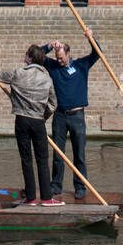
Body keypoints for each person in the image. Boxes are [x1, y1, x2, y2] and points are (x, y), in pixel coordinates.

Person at [0, 45, 61, 205]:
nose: (24, 56)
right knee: (42, 160)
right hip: (38, 121)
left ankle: (31, 197)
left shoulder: (19, 74)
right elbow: (53, 104)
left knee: (26, 159)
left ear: (30, 58)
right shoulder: (47, 79)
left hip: (22, 120)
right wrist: (42, 116)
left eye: (26, 54)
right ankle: (46, 198)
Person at [42, 27, 100, 201]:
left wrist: (91, 38)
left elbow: (97, 54)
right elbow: (35, 55)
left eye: (61, 58)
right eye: (57, 58)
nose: (59, 61)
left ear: (68, 54)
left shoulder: (81, 65)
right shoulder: (53, 66)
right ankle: (56, 186)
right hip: (60, 116)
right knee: (58, 154)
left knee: (79, 154)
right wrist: (49, 46)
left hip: (77, 116)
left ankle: (80, 186)